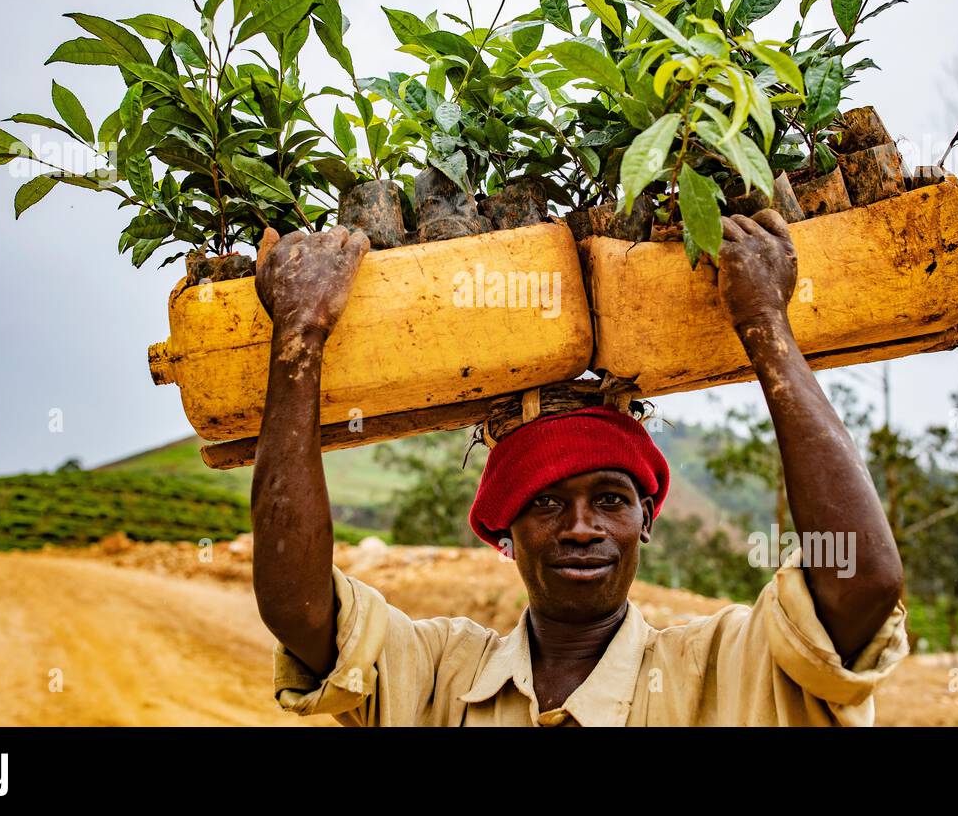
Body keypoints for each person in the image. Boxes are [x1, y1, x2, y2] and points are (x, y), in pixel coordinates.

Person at [250, 210, 909, 727]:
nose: (581, 527)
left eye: (612, 500)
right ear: (504, 531)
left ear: (646, 520)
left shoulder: (723, 669)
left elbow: (863, 579)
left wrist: (767, 326)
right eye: (545, 503)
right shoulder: (441, 678)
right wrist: (301, 335)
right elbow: (298, 610)